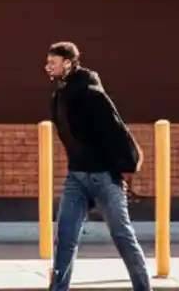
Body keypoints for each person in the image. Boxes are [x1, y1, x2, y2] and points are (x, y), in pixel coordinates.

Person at [46, 42, 150, 291]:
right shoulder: (59, 95)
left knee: (122, 236)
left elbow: (116, 131)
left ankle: (143, 288)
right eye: (47, 62)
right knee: (65, 239)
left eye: (53, 62)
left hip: (104, 177)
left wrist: (123, 167)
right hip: (76, 177)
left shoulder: (92, 93)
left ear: (68, 63)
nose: (47, 67)